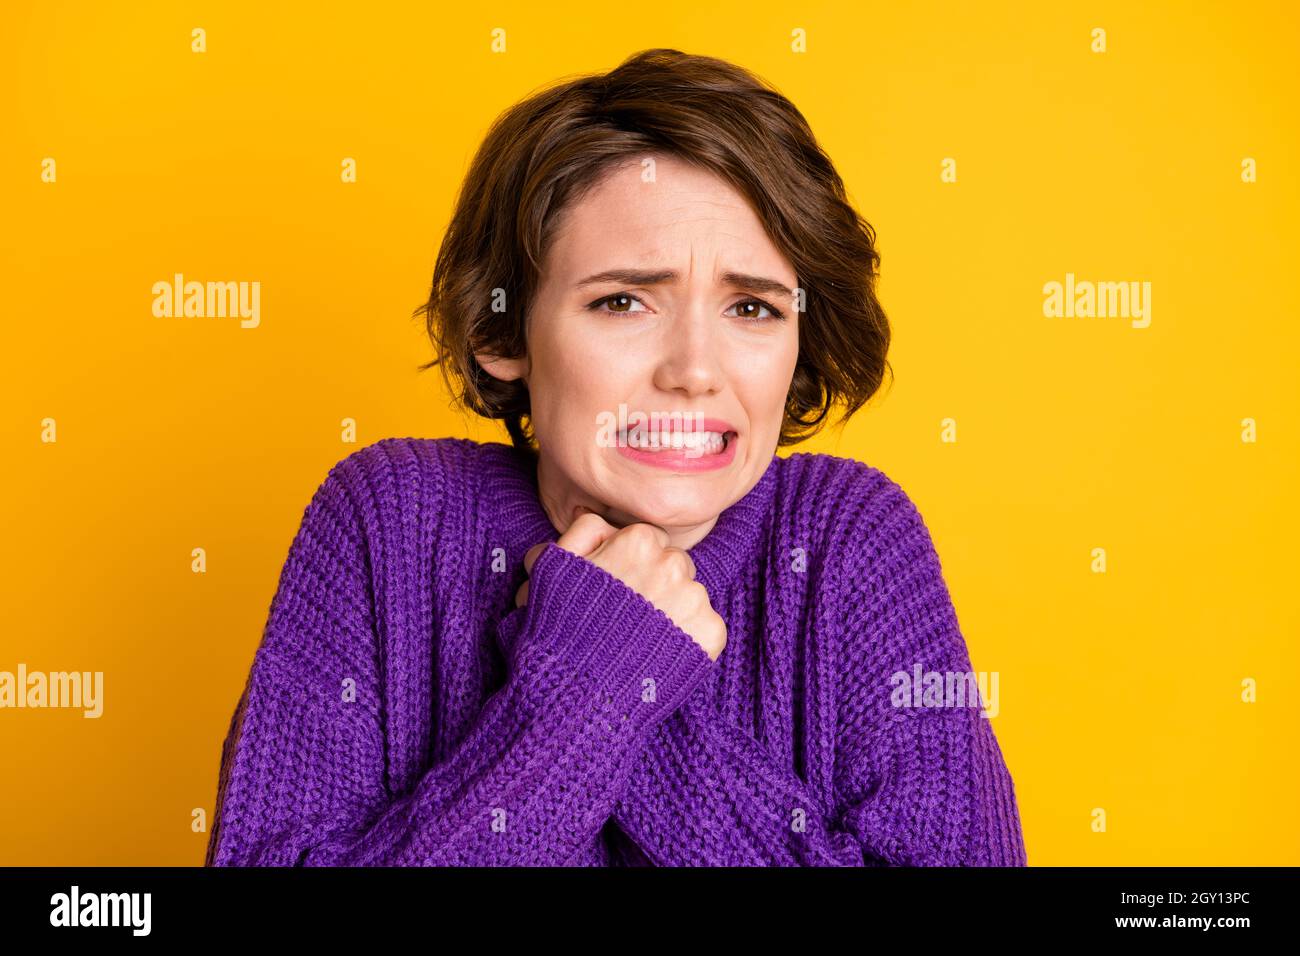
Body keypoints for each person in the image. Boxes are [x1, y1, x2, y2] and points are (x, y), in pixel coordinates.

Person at [204, 48, 1027, 867]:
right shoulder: (390, 520)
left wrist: (620, 686)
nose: (696, 371)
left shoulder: (848, 539)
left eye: (751, 307)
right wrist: (585, 693)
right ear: (502, 331)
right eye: (623, 301)